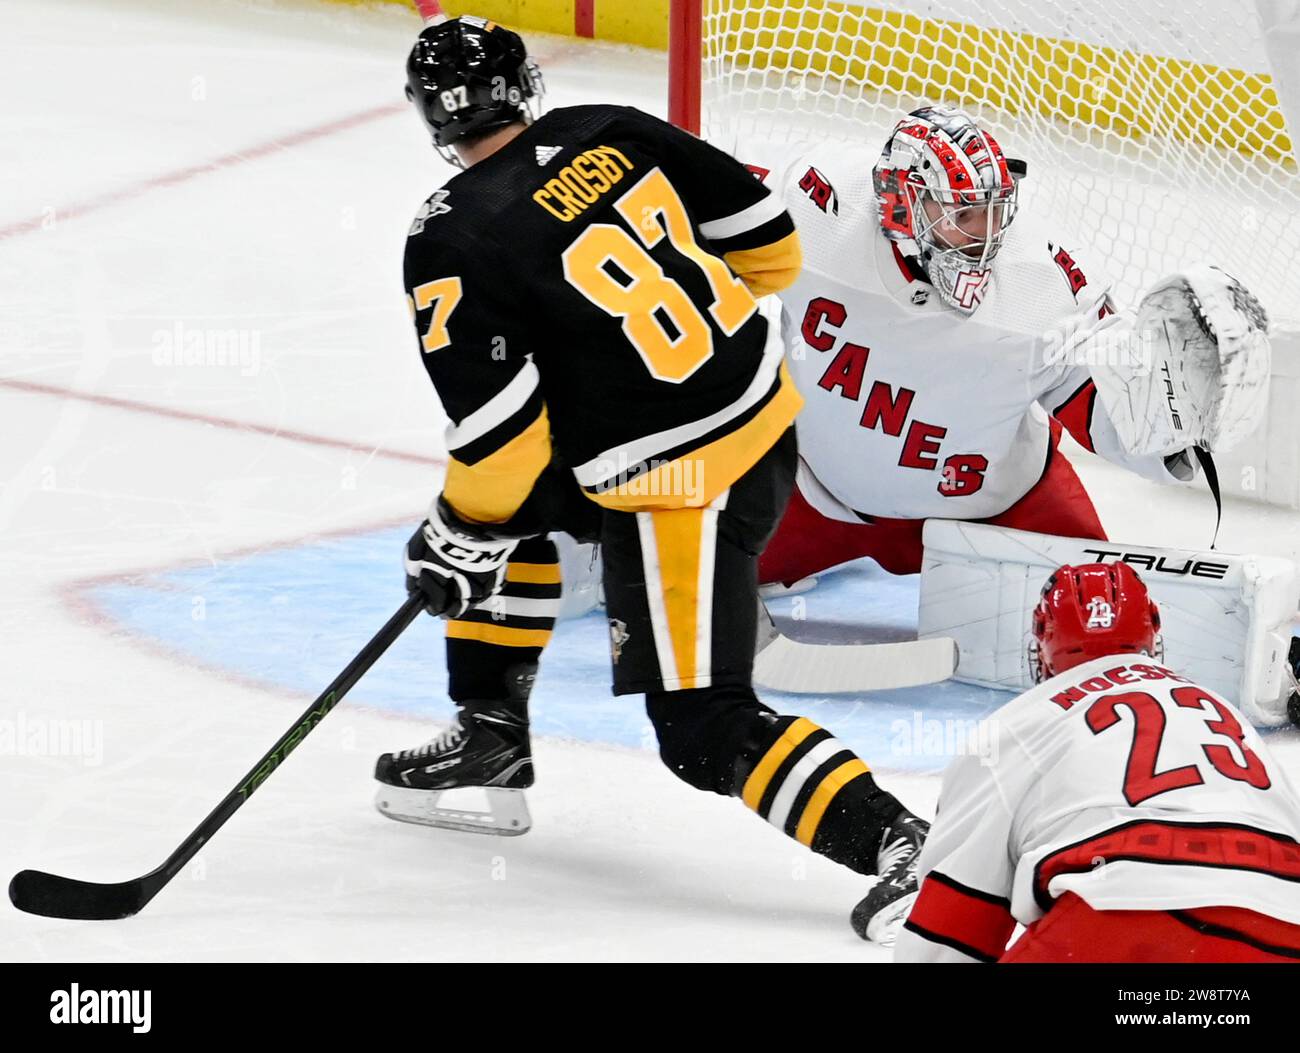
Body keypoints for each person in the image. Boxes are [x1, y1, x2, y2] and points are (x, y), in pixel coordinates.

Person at [373, 16, 927, 941]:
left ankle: (901, 843)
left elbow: (502, 444)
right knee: (518, 517)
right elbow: (773, 256)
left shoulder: (448, 238)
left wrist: (452, 537)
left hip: (681, 488)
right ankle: (493, 736)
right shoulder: (612, 126)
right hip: (763, 421)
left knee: (704, 726)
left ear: (434, 118)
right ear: (524, 87)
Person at [749, 105, 1262, 586]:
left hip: (1001, 515)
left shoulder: (1041, 285)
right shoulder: (818, 213)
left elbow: (1105, 404)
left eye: (993, 212)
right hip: (816, 499)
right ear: (900, 203)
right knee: (685, 589)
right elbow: (714, 223)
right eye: (963, 215)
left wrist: (1178, 420)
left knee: (1104, 616)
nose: (985, 235)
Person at [895, 561, 1300, 962]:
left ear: (1043, 643)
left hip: (1117, 910)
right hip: (1285, 923)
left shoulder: (1017, 725)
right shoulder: (1224, 713)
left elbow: (948, 932)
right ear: (1152, 632)